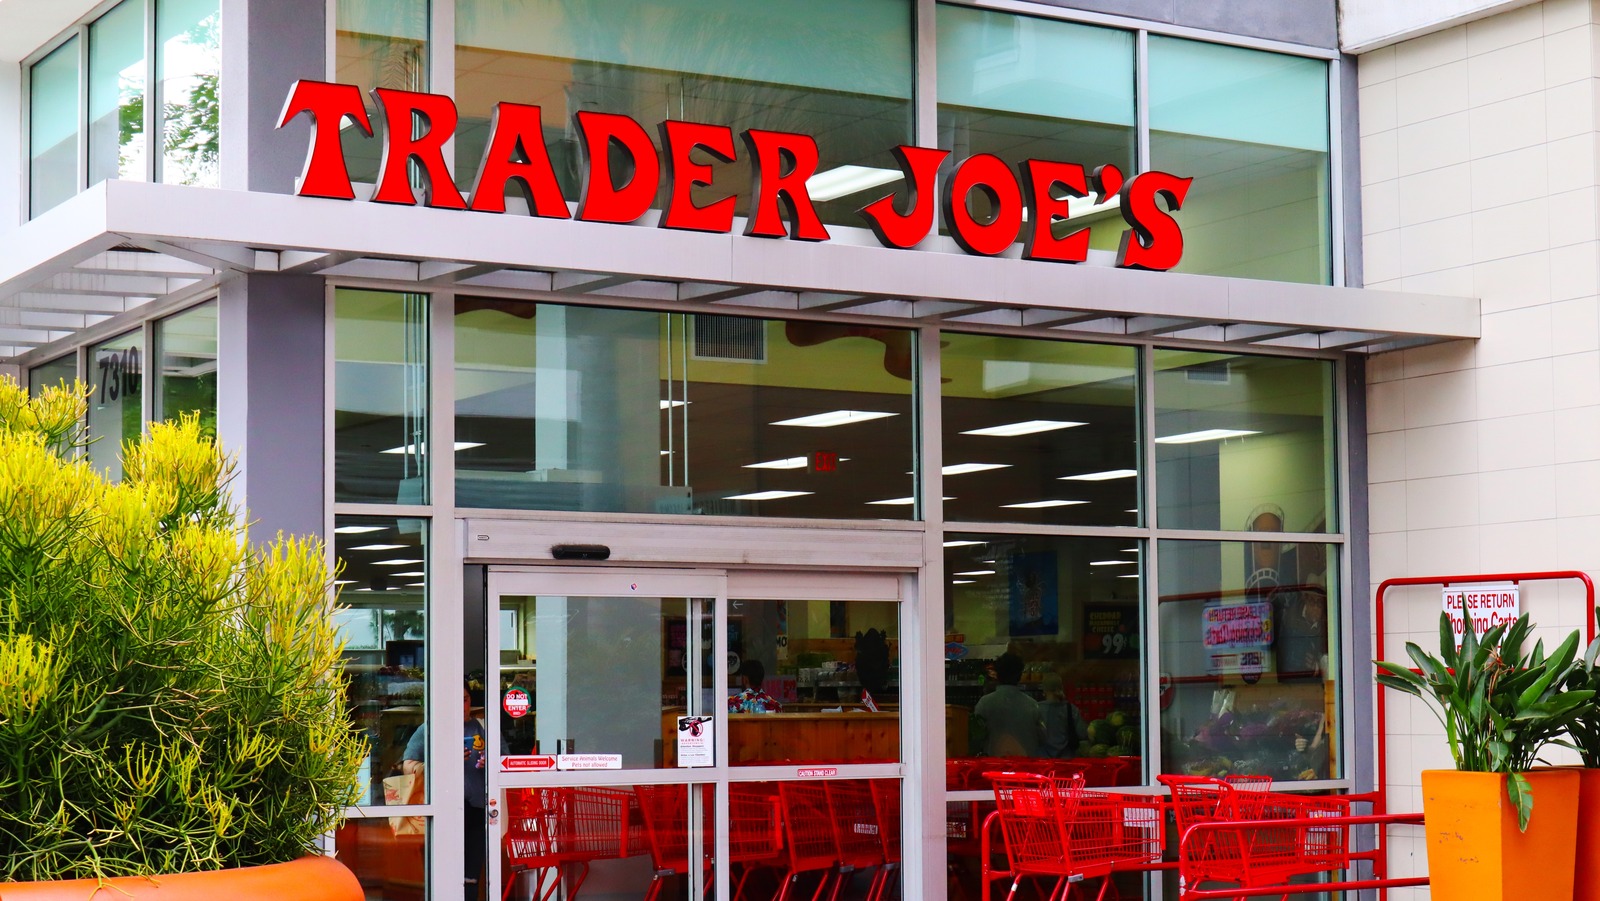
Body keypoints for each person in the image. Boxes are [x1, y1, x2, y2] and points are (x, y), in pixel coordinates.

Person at [402, 684, 488, 901]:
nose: (463, 705)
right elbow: (407, 765)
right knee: (442, 869)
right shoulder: (430, 729)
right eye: (457, 700)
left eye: (466, 699)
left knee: (471, 873)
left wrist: (491, 761)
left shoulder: (482, 728)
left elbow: (504, 760)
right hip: (440, 811)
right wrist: (446, 761)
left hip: (477, 808)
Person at [971, 652, 1040, 757]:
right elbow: (1043, 737)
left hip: (993, 766)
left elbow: (976, 738)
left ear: (997, 675)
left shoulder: (984, 703)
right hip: (1024, 767)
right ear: (1020, 675)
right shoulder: (1033, 705)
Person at [1038, 673, 1088, 758]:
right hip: (1066, 759)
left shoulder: (1036, 708)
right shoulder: (1071, 709)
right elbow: (1082, 733)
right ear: (1061, 688)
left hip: (1043, 759)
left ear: (1044, 690)